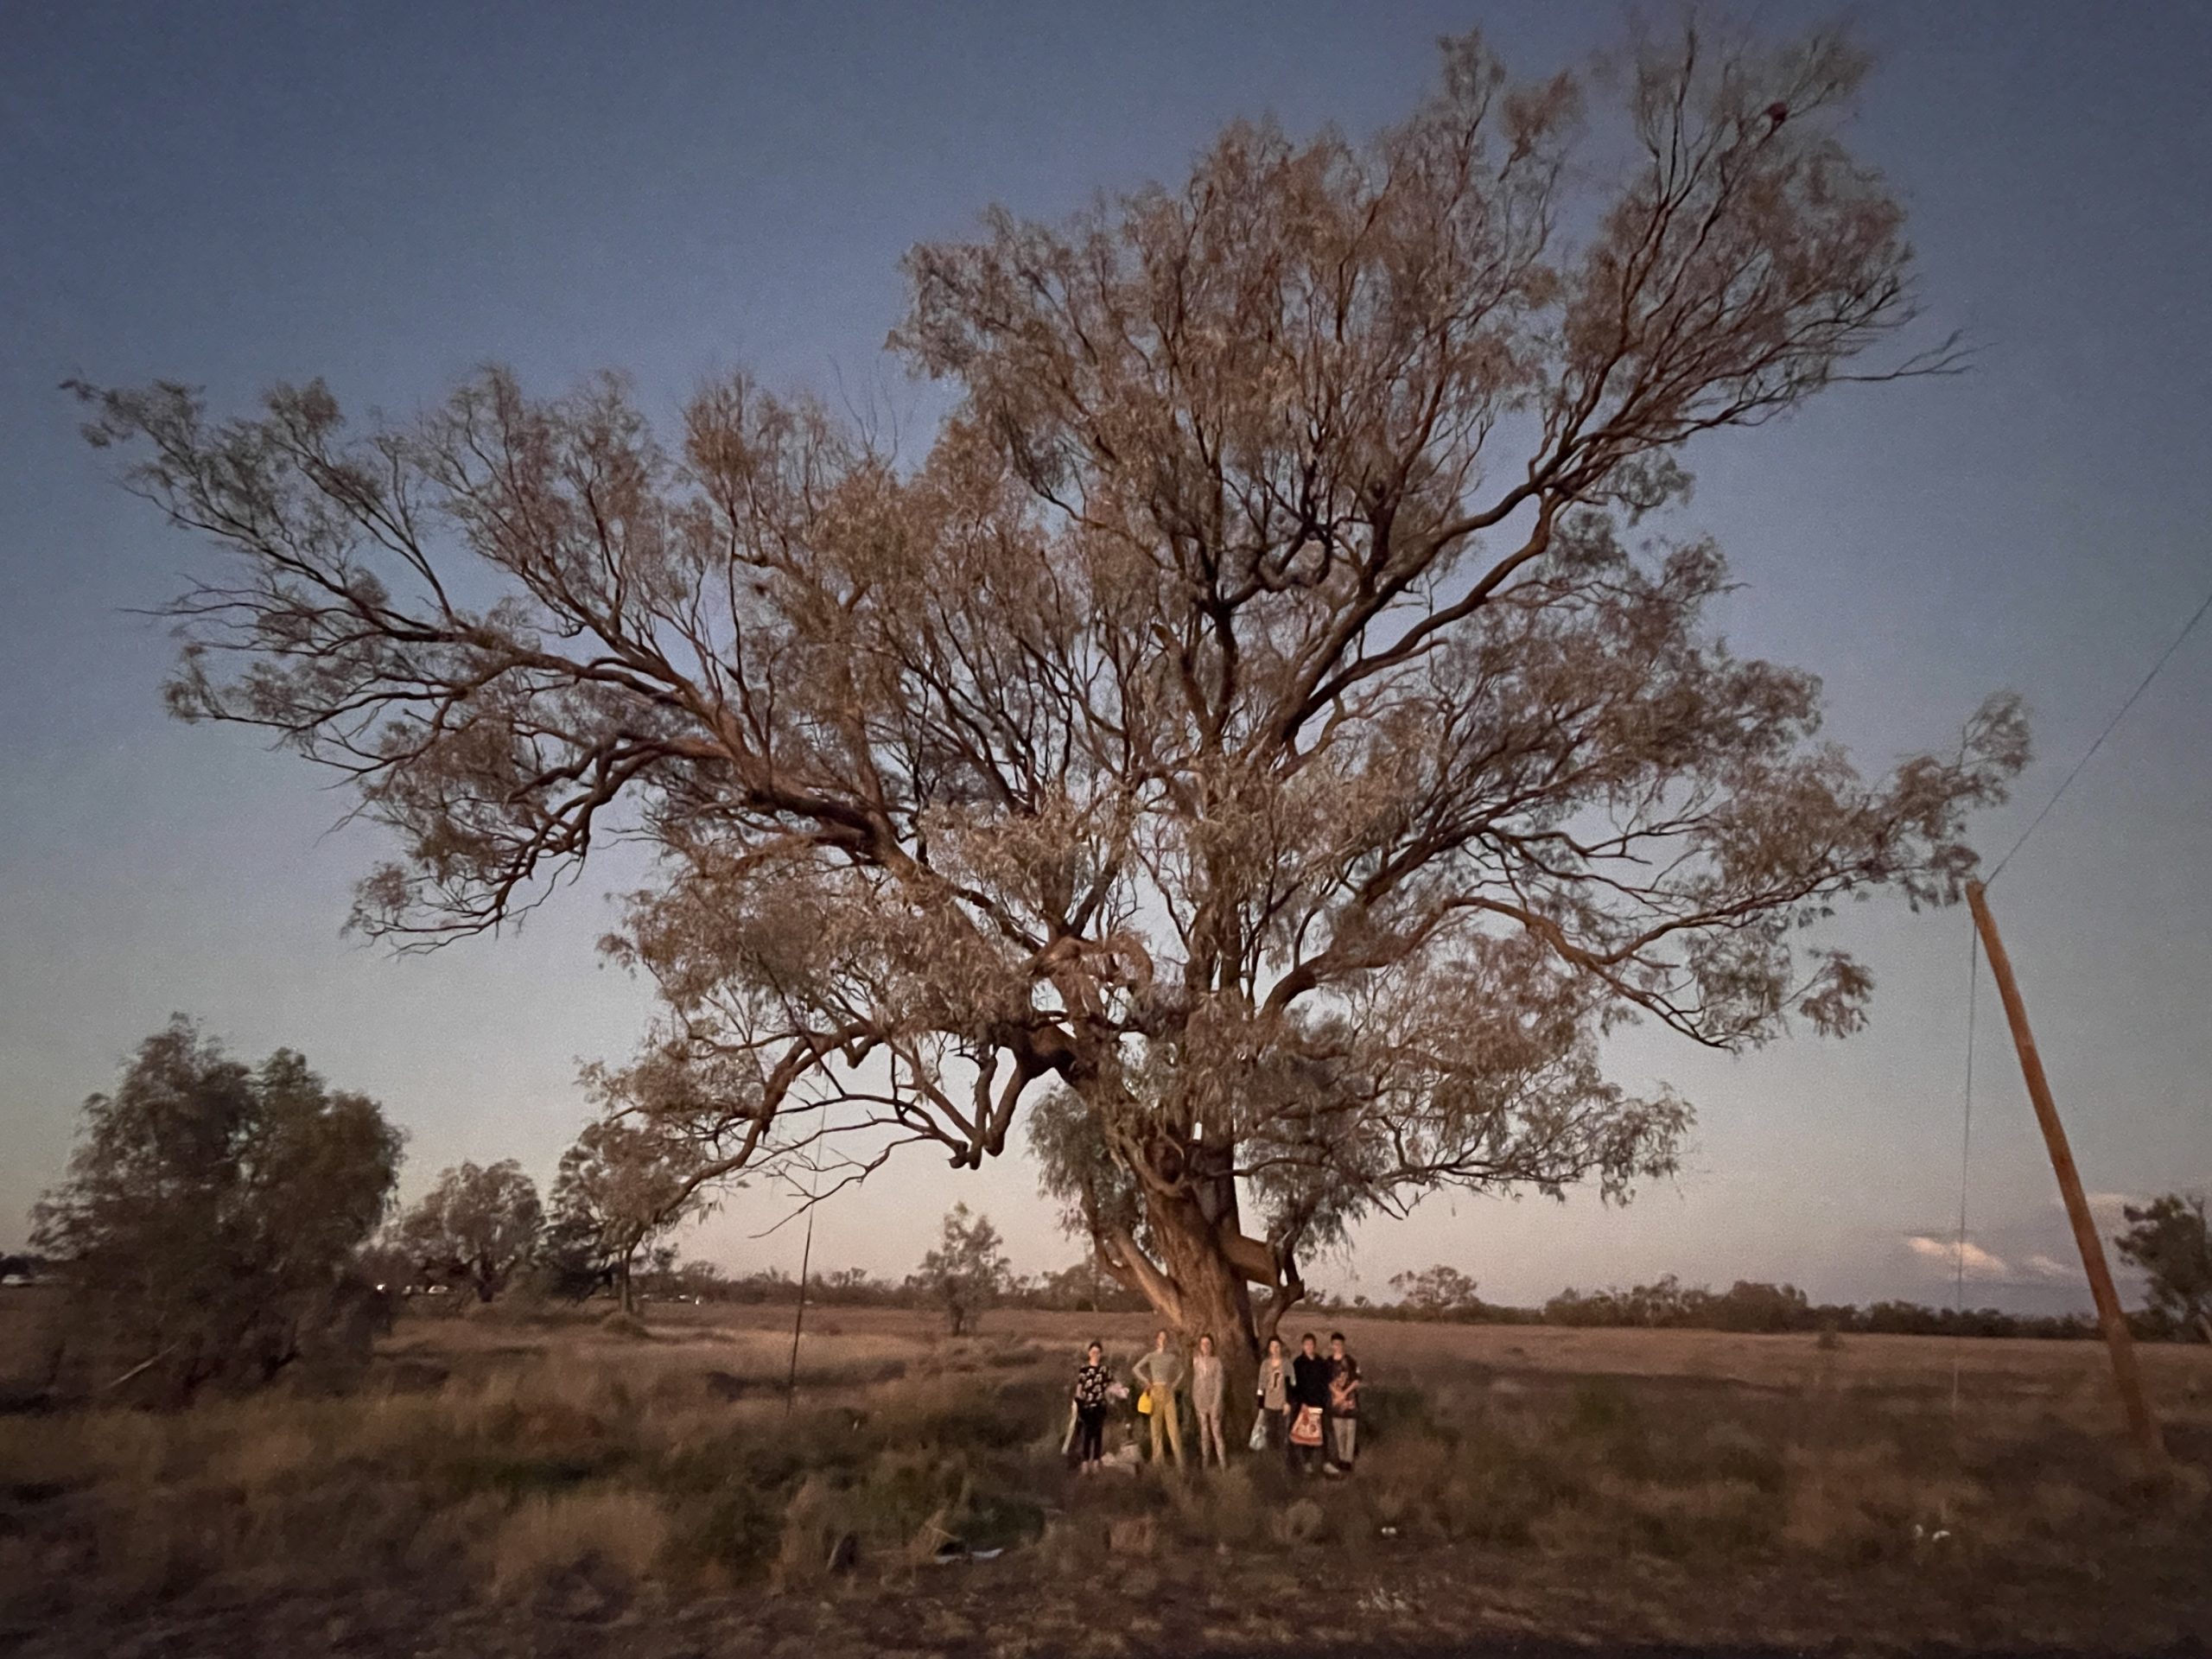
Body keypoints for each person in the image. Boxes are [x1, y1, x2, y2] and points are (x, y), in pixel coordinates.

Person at [1130, 1328, 1188, 1468]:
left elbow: (1182, 1371)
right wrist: (1147, 1381)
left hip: (1168, 1392)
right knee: (1155, 1428)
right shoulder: (1151, 1356)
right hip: (1155, 1391)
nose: (1163, 1340)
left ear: (1168, 1341)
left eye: (1165, 1338)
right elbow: (1136, 1368)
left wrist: (1173, 1385)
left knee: (1173, 1428)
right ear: (1157, 1340)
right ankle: (1158, 1462)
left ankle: (1181, 1463)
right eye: (1161, 1338)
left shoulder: (1171, 1357)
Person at [1288, 1331, 1332, 1475]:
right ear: (1303, 1346)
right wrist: (1300, 1402)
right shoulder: (1298, 1363)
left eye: (1311, 1344)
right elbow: (1294, 1385)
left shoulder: (1321, 1362)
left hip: (1318, 1403)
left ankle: (1325, 1462)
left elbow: (1326, 1382)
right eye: (1306, 1344)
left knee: (1321, 1433)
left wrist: (1324, 1399)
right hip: (1304, 1404)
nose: (1309, 1347)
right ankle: (1307, 1464)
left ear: (1315, 1346)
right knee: (1306, 1435)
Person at [1324, 1331, 1362, 1473]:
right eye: (1335, 1344)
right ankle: (1341, 1458)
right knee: (1339, 1431)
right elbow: (1326, 1380)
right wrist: (1337, 1394)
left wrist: (1345, 1393)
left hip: (1350, 1400)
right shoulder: (1328, 1362)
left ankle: (1348, 1460)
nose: (1337, 1346)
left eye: (1340, 1344)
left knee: (1350, 1430)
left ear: (1343, 1345)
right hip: (1335, 1402)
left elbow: (1357, 1380)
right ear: (1331, 1345)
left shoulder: (1350, 1361)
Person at [1071, 1339, 1111, 1472]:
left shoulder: (1104, 1370)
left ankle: (1095, 1461)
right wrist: (1078, 1402)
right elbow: (1080, 1387)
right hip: (1087, 1406)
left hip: (1100, 1405)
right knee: (1087, 1434)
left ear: (1101, 1354)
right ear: (1089, 1353)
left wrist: (1120, 1392)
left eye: (1098, 1352)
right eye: (1093, 1352)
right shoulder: (1084, 1369)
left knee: (1098, 1434)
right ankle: (1085, 1462)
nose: (1095, 1354)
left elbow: (1110, 1386)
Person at [1191, 1332, 1227, 1467]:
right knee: (1204, 1432)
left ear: (1212, 1346)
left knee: (1216, 1432)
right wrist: (1195, 1399)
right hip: (1201, 1401)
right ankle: (1205, 1462)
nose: (1205, 1346)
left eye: (1208, 1344)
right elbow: (1196, 1382)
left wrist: (1216, 1403)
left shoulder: (1216, 1362)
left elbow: (1219, 1383)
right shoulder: (1197, 1362)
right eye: (1203, 1344)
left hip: (1213, 1401)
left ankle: (1223, 1463)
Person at [1255, 1334, 1291, 1457]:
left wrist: (1288, 1402)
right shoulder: (1265, 1365)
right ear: (1269, 1349)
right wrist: (1260, 1406)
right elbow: (1261, 1385)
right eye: (1272, 1346)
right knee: (1270, 1434)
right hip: (1268, 1404)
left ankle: (1282, 1463)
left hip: (1282, 1405)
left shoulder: (1286, 1364)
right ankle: (1272, 1462)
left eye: (1277, 1346)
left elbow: (1291, 1385)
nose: (1275, 1349)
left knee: (1282, 1435)